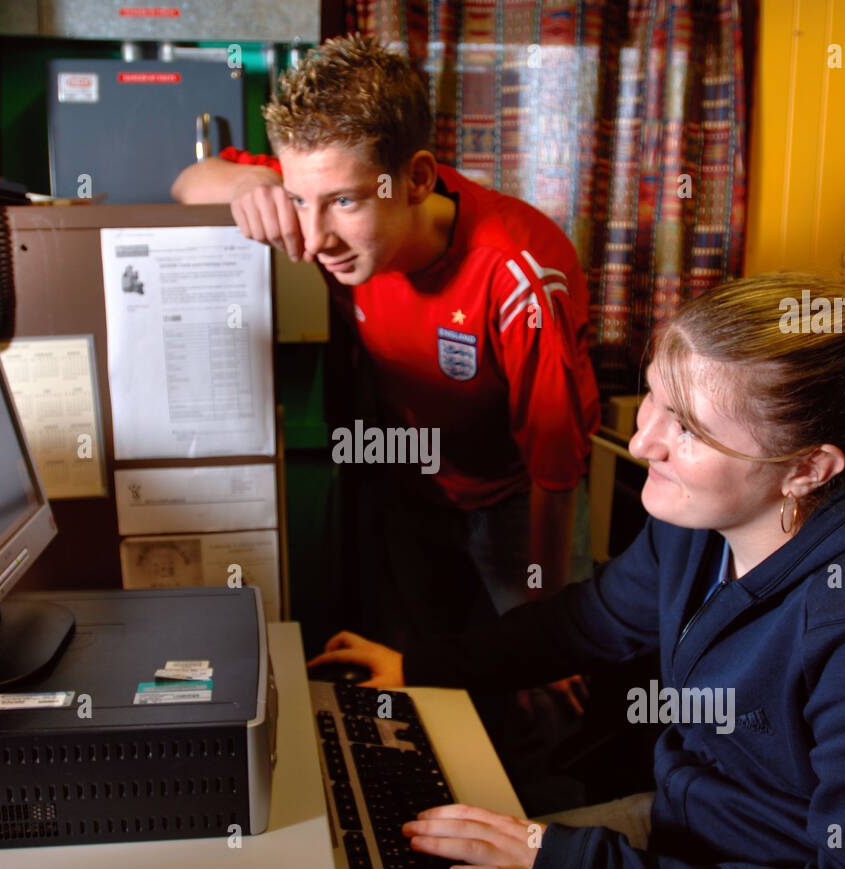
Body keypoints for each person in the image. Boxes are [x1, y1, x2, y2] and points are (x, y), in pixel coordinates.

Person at [309, 239, 845, 869]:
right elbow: (587, 622)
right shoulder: (705, 521)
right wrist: (420, 665)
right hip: (693, 840)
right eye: (656, 394)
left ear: (808, 468)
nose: (642, 439)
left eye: (686, 427)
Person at [172, 35, 602, 810]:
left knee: (538, 683)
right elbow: (190, 178)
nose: (317, 234)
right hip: (408, 475)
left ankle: (545, 835)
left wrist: (543, 616)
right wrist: (250, 189)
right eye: (300, 200)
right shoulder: (323, 195)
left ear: (417, 179)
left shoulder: (518, 272)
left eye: (343, 202)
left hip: (516, 498)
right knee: (409, 668)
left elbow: (555, 471)